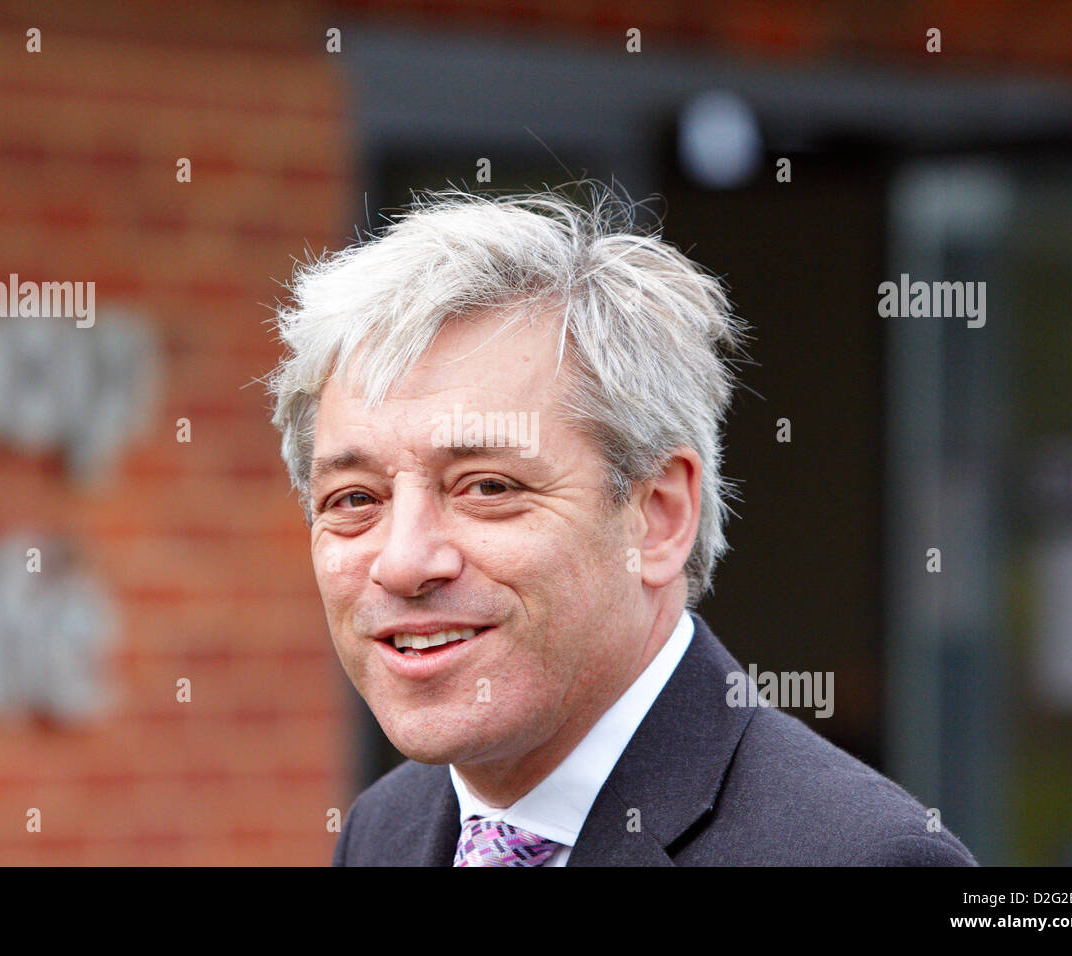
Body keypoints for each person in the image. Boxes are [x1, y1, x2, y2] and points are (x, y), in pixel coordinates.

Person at [267, 185, 976, 866]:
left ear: (660, 518)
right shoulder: (387, 830)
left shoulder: (861, 857)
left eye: (488, 487)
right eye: (355, 499)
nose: (404, 561)